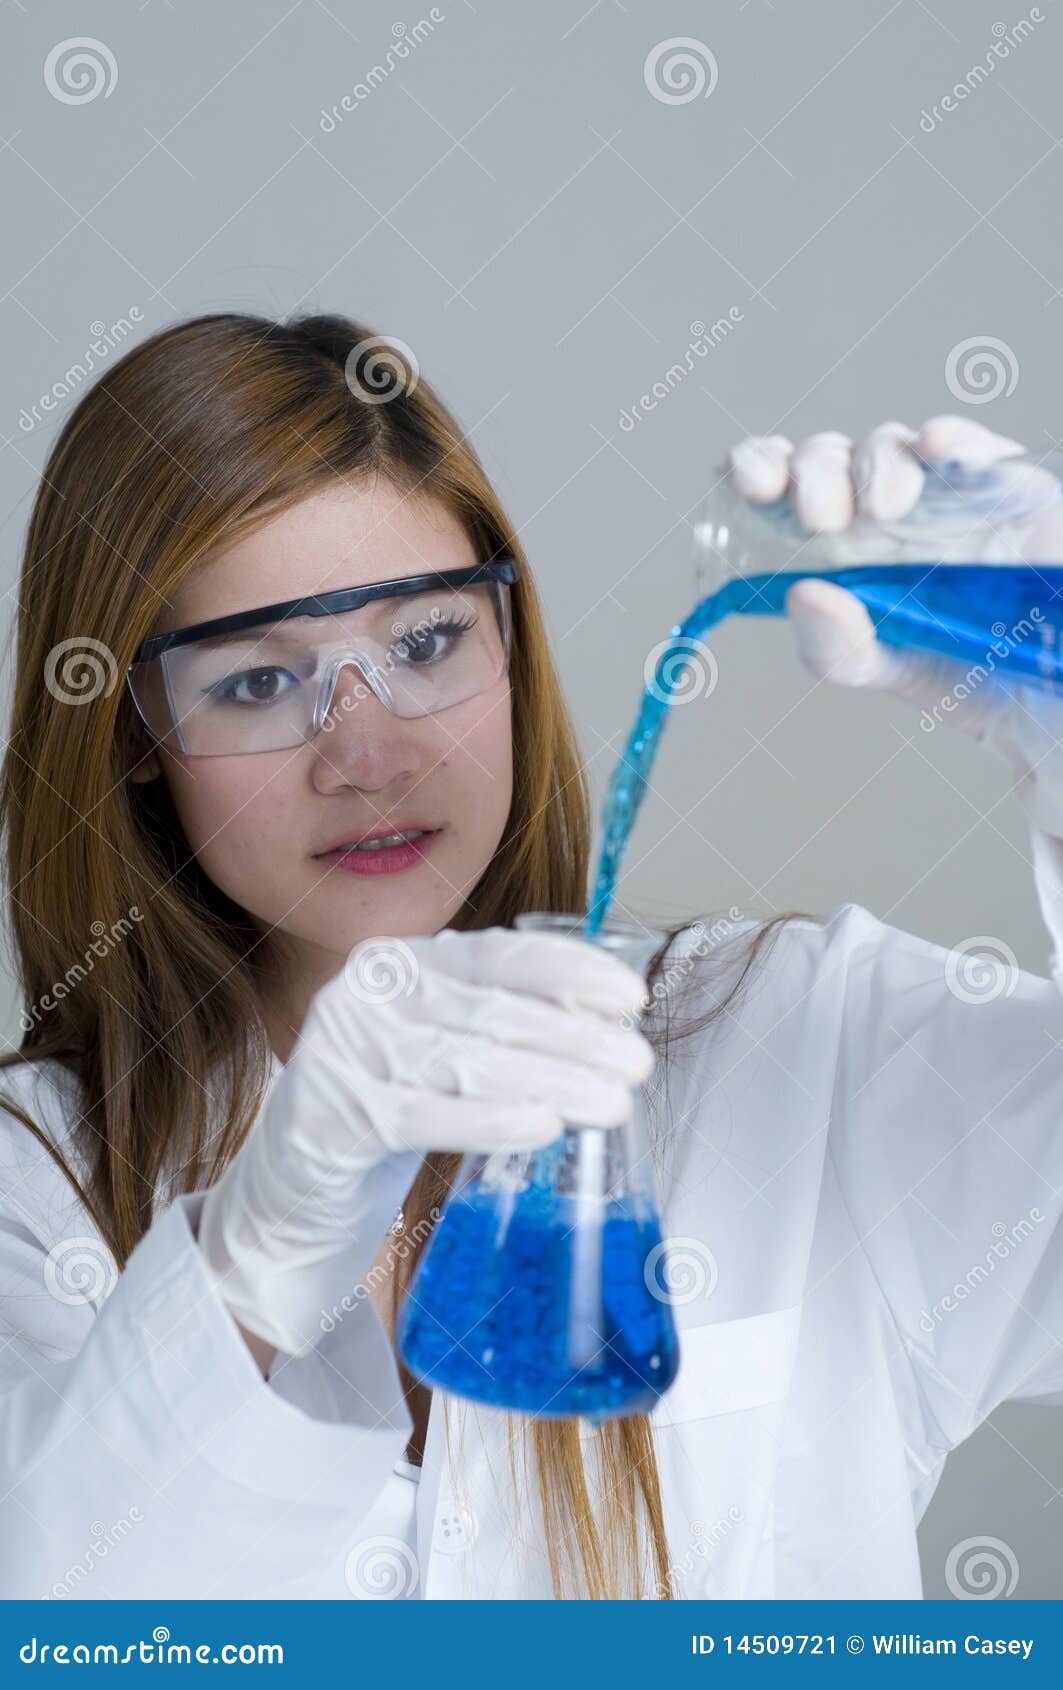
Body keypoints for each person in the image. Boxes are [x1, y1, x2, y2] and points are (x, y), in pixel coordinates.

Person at [0, 313, 1058, 1602]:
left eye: (426, 642)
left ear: (511, 645)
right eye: (257, 684)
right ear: (136, 743)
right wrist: (249, 1261)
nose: (367, 754)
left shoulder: (804, 1048)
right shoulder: (37, 1188)